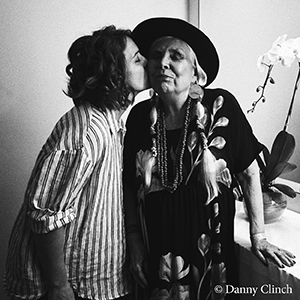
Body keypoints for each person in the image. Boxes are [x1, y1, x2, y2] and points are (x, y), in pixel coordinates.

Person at [122, 17, 296, 300]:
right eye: (155, 55)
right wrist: (134, 241)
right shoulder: (140, 118)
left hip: (212, 254)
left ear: (196, 74)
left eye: (175, 56)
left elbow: (249, 173)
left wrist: (258, 237)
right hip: (156, 253)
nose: (162, 62)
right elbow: (130, 185)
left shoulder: (220, 107)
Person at [4, 25, 149, 300]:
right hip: (69, 287)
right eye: (137, 58)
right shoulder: (85, 131)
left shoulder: (111, 124)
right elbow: (47, 214)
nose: (147, 63)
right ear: (114, 72)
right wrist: (59, 286)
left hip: (94, 283)